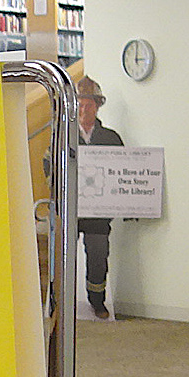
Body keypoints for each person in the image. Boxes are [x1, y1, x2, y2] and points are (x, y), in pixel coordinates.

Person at [77, 76, 124, 319]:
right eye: (81, 105)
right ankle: (59, 302)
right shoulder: (62, 135)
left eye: (89, 105)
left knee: (98, 258)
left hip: (98, 213)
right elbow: (48, 167)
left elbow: (123, 174)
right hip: (70, 210)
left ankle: (97, 301)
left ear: (97, 107)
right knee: (62, 260)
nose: (85, 110)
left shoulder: (111, 139)